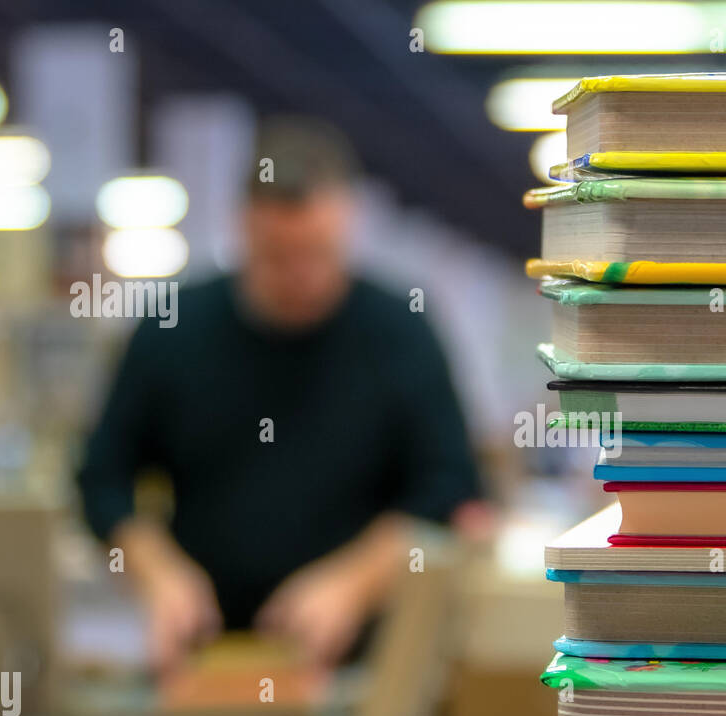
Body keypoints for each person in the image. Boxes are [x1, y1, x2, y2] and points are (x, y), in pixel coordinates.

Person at [77, 118, 484, 673]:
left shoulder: (401, 331)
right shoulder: (173, 327)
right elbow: (102, 479)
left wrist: (353, 583)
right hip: (202, 651)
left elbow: (448, 488)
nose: (300, 276)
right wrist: (159, 575)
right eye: (277, 255)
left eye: (317, 253)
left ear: (349, 223)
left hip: (365, 663)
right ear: (242, 227)